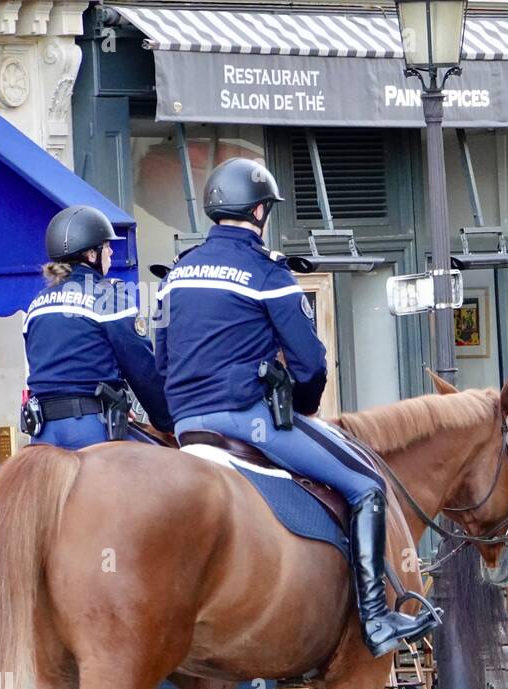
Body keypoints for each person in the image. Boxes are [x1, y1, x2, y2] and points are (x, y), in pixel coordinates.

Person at [156, 156, 436, 657]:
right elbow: (310, 363)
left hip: (186, 427)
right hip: (248, 420)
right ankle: (375, 620)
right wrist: (303, 407)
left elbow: (161, 359)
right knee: (367, 485)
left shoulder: (177, 274)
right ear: (260, 211)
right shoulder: (268, 273)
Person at [21, 205, 173, 449]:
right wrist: (167, 421)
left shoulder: (37, 304)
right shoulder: (107, 297)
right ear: (91, 255)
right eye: (106, 246)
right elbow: (142, 369)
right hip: (87, 429)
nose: (111, 252)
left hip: (41, 435)